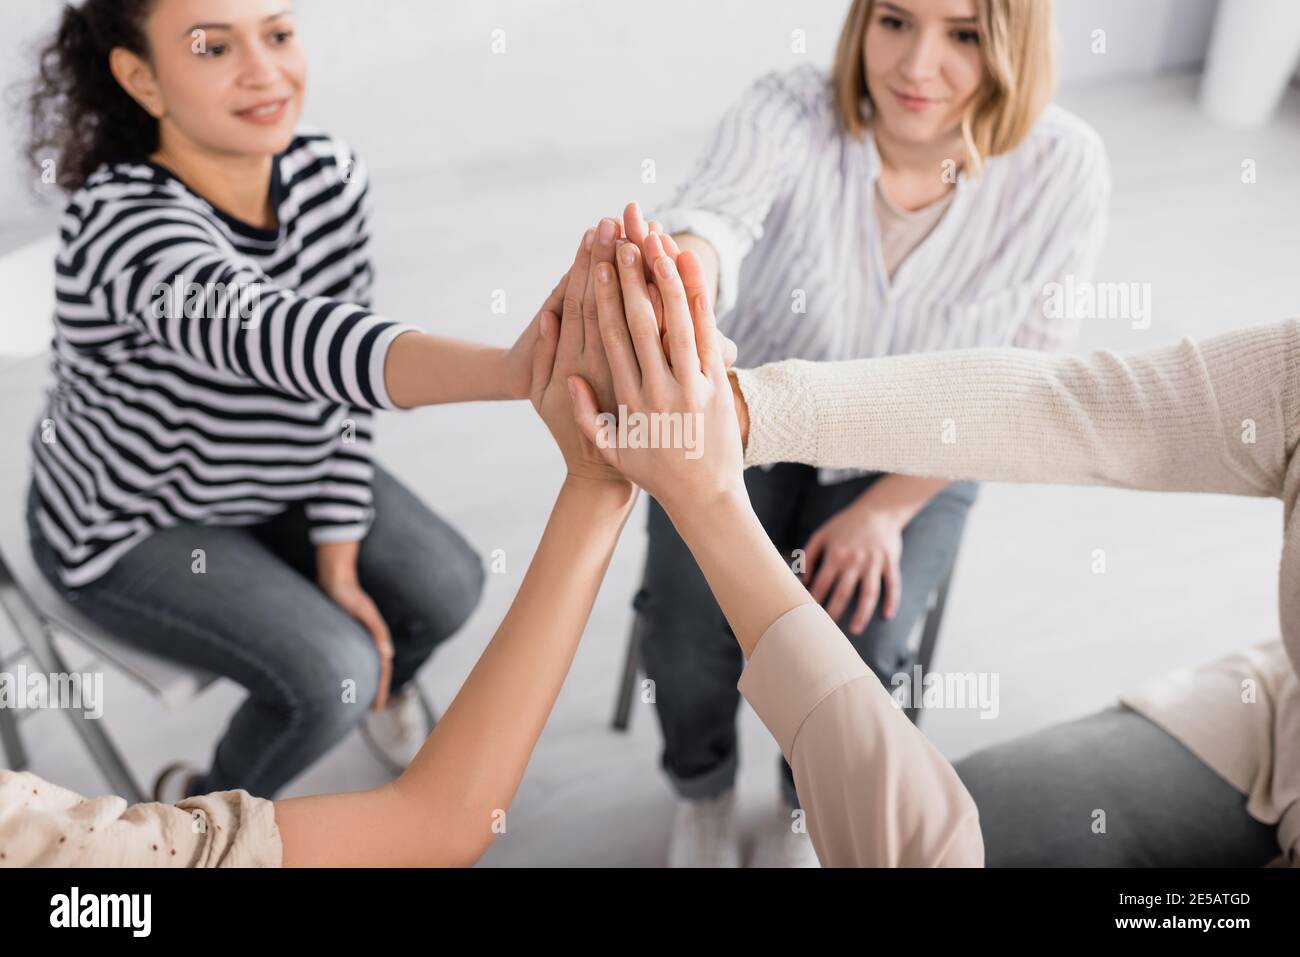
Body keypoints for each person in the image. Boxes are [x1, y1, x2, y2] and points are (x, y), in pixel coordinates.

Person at [631, 0, 1109, 866]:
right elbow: (716, 213)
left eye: (963, 33)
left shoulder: (1064, 169)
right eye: (895, 20)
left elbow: (1026, 382)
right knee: (688, 622)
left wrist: (889, 510)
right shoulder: (788, 109)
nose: (917, 66)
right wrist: (682, 272)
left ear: (1013, 42)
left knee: (863, 641)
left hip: (924, 444)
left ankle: (804, 808)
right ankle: (700, 791)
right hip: (752, 414)